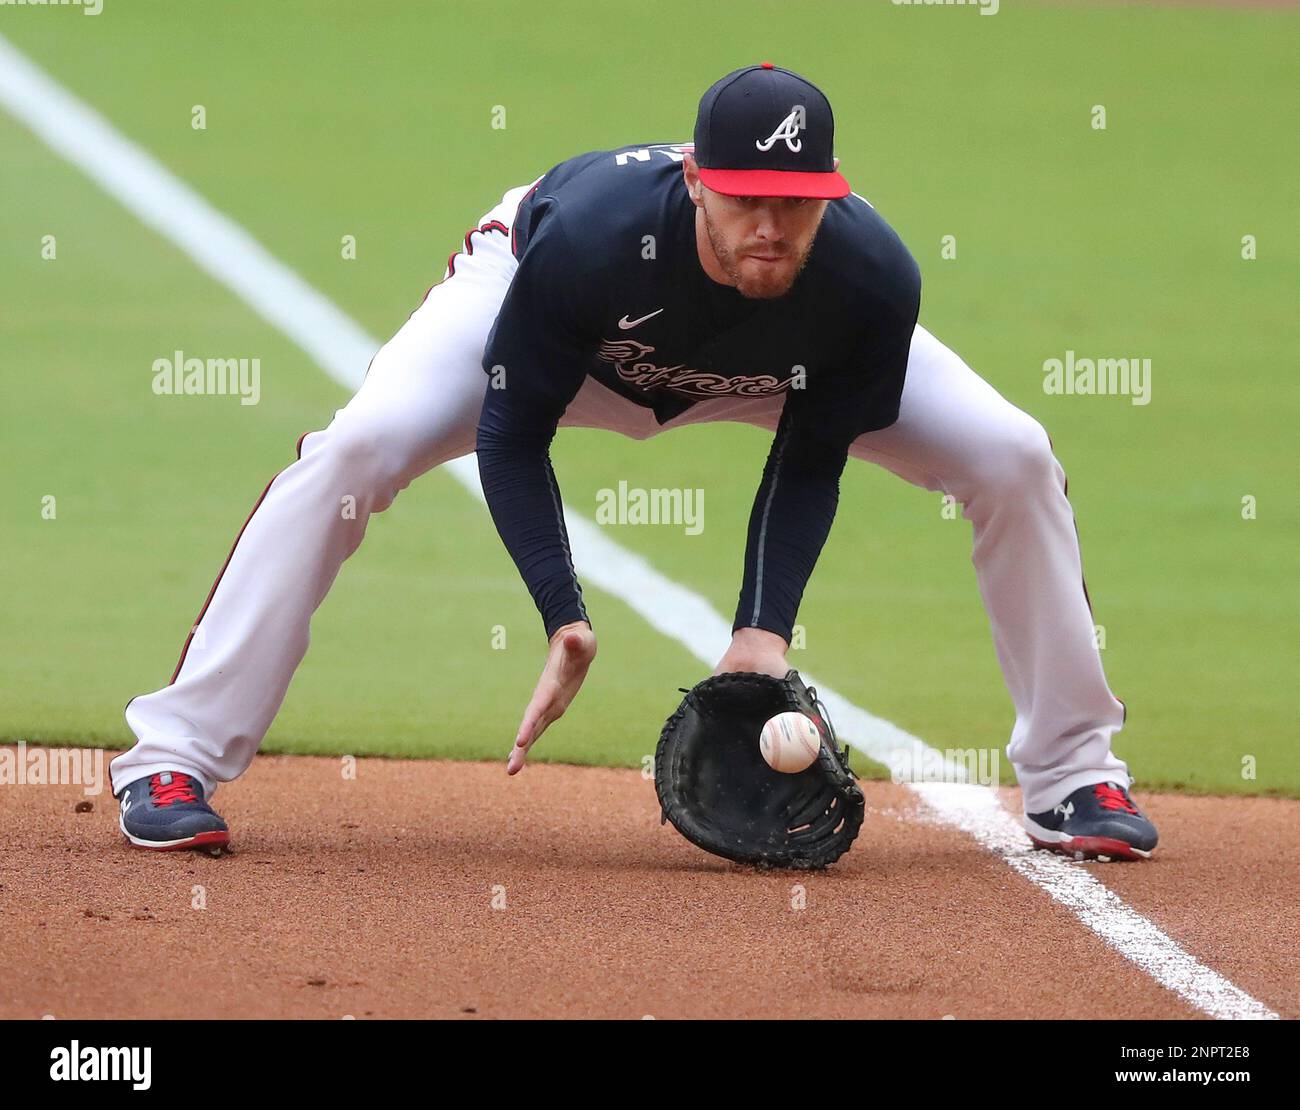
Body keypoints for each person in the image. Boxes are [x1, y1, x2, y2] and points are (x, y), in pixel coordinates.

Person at [113, 63, 1158, 862]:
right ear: (695, 180)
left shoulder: (867, 281)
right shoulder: (596, 240)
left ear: (827, 198)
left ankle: (1074, 775)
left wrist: (761, 636)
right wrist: (561, 612)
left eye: (795, 202)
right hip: (558, 330)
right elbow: (511, 433)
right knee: (355, 451)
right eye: (745, 195)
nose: (769, 223)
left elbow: (809, 460)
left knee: (1014, 454)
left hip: (766, 366)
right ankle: (173, 759)